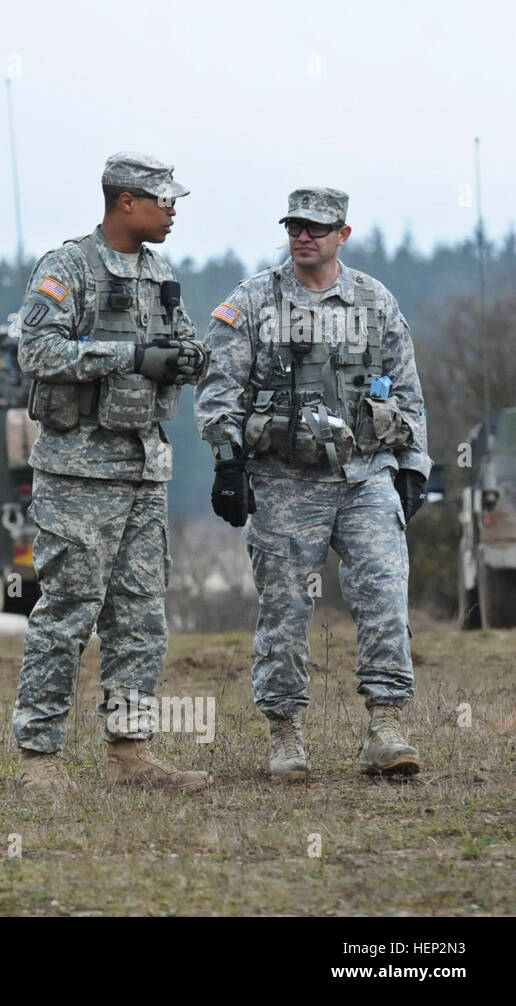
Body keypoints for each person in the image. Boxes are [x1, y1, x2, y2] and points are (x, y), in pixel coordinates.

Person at [195, 186, 430, 781]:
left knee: (382, 596)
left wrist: (414, 467)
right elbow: (217, 392)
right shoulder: (253, 300)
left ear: (342, 235)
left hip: (365, 477)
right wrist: (228, 465)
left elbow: (407, 390)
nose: (304, 236)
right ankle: (286, 733)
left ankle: (385, 727)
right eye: (295, 226)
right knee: (287, 607)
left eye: (318, 228)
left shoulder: (374, 300)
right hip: (284, 481)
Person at [11, 151, 211, 795]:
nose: (173, 210)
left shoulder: (160, 273)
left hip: (144, 468)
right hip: (77, 474)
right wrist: (127, 354)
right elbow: (36, 349)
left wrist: (185, 358)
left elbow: (181, 343)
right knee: (68, 608)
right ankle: (39, 757)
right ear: (126, 201)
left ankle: (131, 751)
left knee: (140, 614)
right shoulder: (67, 266)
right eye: (163, 200)